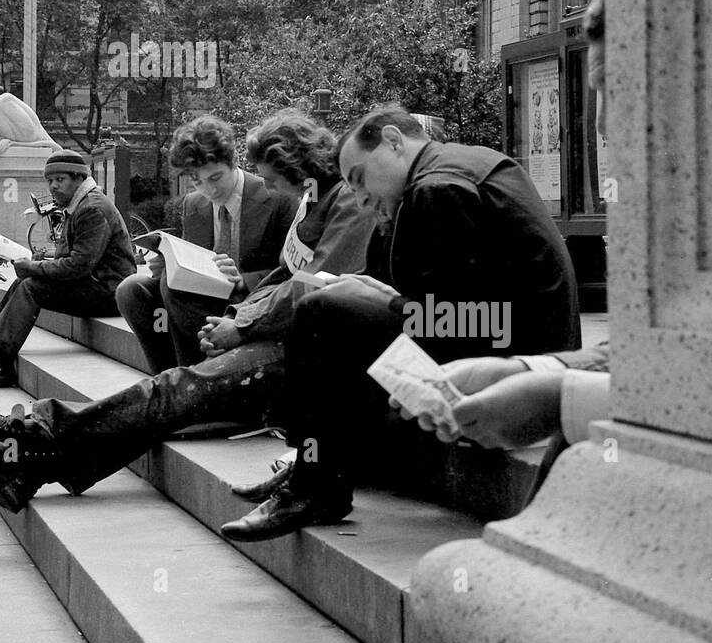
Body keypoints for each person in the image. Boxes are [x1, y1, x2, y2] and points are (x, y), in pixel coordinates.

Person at [0, 110, 376, 513]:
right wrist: (237, 318)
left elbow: (311, 288)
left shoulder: (346, 201)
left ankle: (24, 446)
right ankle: (24, 463)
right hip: (276, 335)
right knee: (165, 387)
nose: (272, 187)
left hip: (299, 353)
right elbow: (287, 276)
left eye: (273, 178)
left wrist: (241, 324)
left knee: (169, 392)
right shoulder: (315, 199)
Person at [221, 102, 583, 542]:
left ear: (394, 142)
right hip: (522, 337)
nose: (358, 196)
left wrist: (385, 302)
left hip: (515, 354)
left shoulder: (436, 188)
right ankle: (310, 462)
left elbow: (453, 318)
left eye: (359, 179)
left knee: (322, 314)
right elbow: (453, 301)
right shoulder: (454, 169)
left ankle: (314, 487)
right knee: (340, 307)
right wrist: (380, 294)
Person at [394, 0, 610, 456]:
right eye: (599, 98)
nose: (605, 126)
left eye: (625, 92)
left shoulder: (438, 186)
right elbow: (645, 354)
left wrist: (555, 394)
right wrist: (535, 375)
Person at [117, 115, 295, 372]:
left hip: (250, 299)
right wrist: (170, 261)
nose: (209, 191)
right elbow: (192, 264)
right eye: (197, 182)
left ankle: (187, 383)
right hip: (201, 300)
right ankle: (167, 376)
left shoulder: (275, 196)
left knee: (174, 289)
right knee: (132, 289)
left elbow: (290, 272)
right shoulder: (193, 204)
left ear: (233, 162)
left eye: (215, 178)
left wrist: (242, 278)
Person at [0, 150, 136, 389]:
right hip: (95, 284)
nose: (53, 186)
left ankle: (0, 367)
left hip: (110, 293)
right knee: (23, 282)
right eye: (50, 181)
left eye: (60, 180)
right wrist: (34, 266)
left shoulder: (91, 208)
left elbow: (78, 266)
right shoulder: (79, 204)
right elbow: (70, 260)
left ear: (78, 178)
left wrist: (33, 266)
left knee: (31, 286)